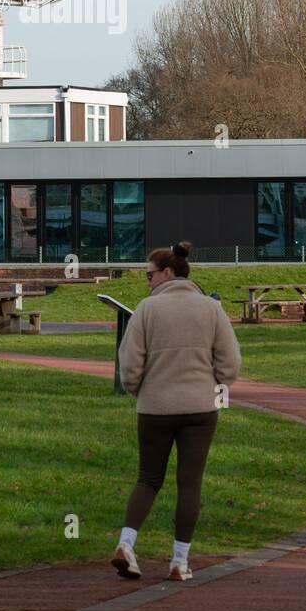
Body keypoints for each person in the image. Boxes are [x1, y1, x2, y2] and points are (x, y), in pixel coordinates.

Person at [114, 241, 241, 582]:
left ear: (167, 273)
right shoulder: (211, 309)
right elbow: (230, 363)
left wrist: (139, 389)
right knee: (190, 483)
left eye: (149, 275)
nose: (148, 282)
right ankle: (179, 560)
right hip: (201, 407)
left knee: (148, 478)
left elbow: (129, 365)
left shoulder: (146, 310)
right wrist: (216, 386)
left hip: (155, 407)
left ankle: (127, 544)